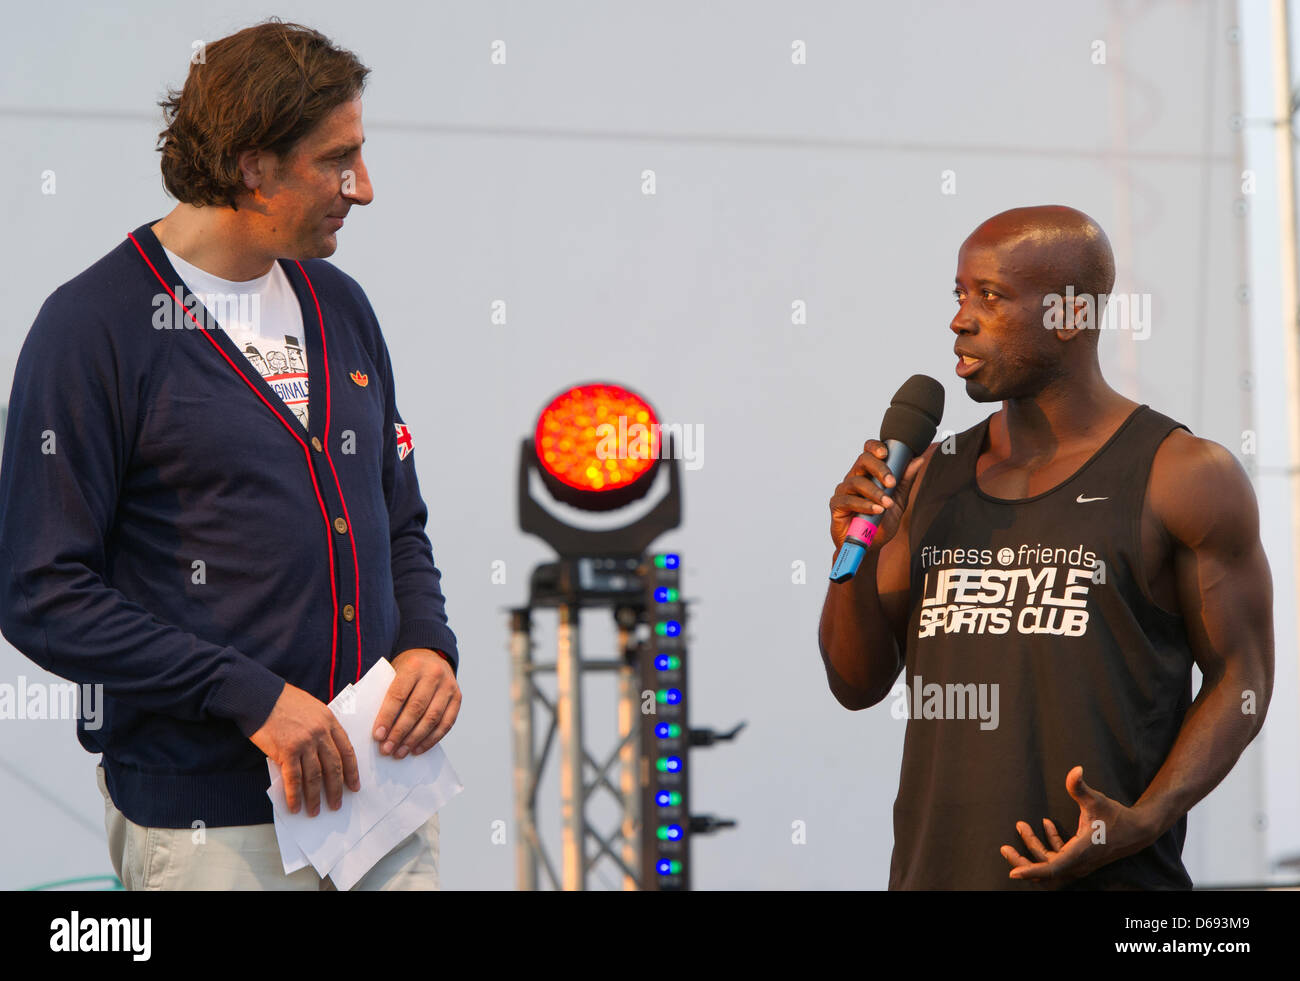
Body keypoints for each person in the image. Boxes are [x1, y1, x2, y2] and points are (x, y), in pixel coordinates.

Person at [0, 19, 462, 890]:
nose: (362, 187)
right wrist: (250, 698)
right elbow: (40, 590)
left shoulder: (342, 305)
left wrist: (429, 646)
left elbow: (397, 520)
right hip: (215, 826)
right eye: (337, 159)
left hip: (385, 805)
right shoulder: (91, 328)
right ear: (253, 165)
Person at [818, 205, 1273, 889]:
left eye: (991, 297)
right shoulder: (927, 478)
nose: (960, 319)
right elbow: (857, 685)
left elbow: (1243, 677)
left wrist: (1146, 817)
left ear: (1068, 314)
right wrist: (849, 563)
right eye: (960, 294)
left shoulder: (1182, 475)